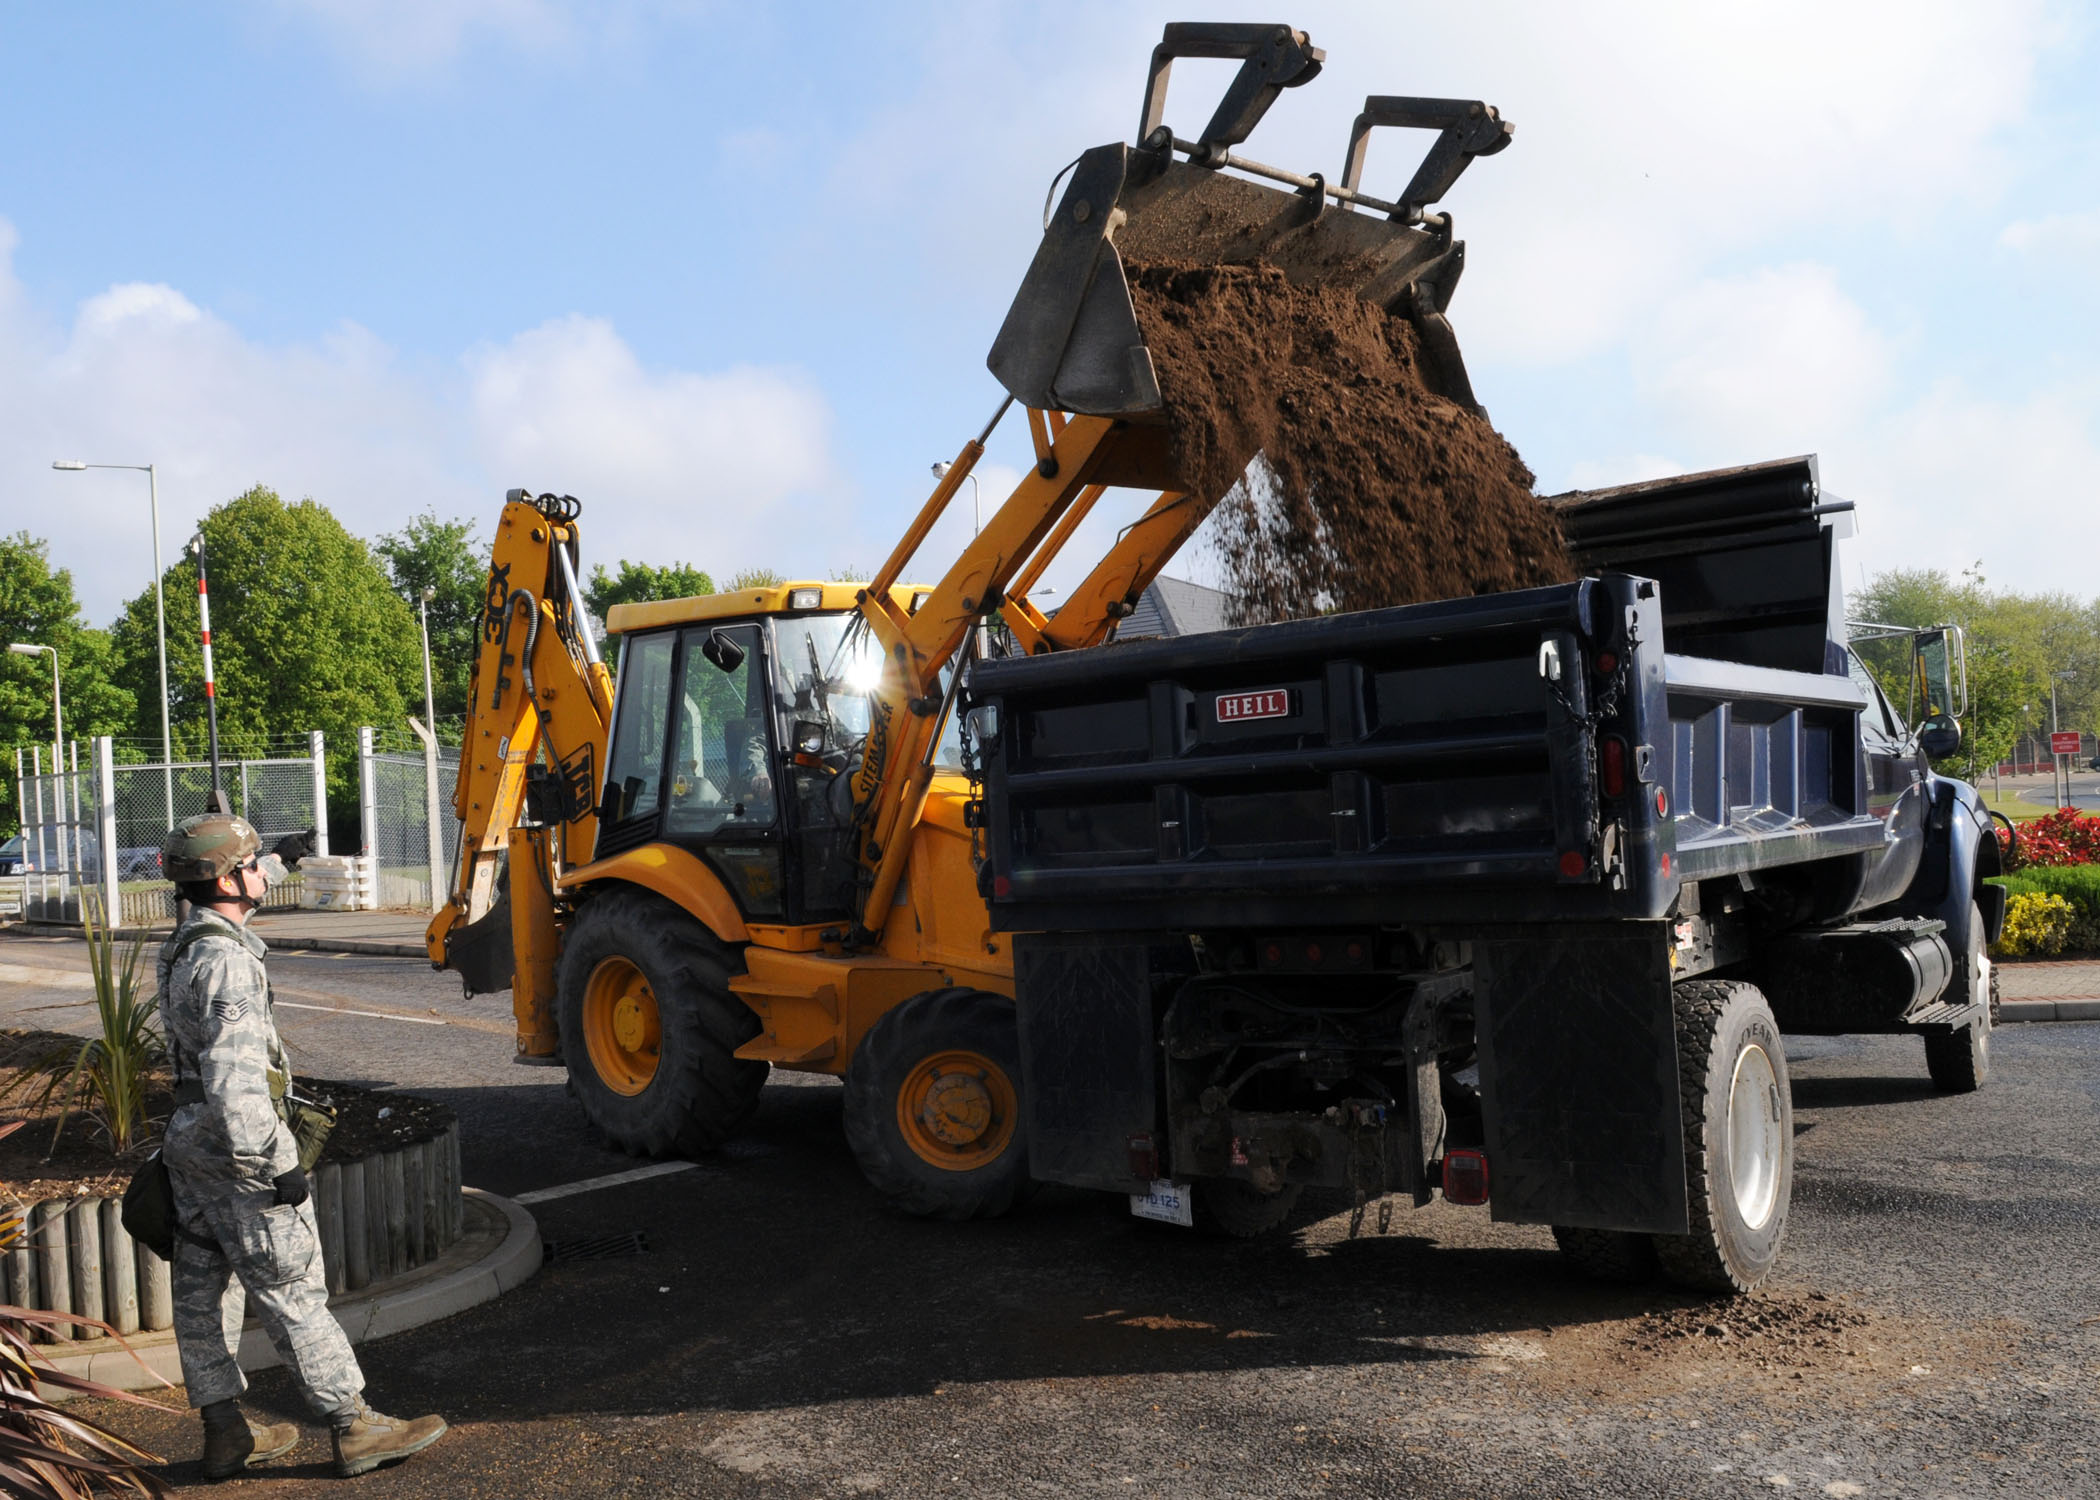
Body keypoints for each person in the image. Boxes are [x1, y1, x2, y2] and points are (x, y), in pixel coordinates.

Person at [157, 813, 448, 1480]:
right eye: (255, 864)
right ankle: (354, 1425)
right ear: (228, 879)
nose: (265, 873)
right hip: (238, 1151)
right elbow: (236, 1081)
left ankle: (225, 1430)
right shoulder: (228, 964)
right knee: (289, 1286)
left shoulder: (185, 940)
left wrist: (283, 856)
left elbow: (220, 889)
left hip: (189, 1145)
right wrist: (277, 1165)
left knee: (204, 1292)